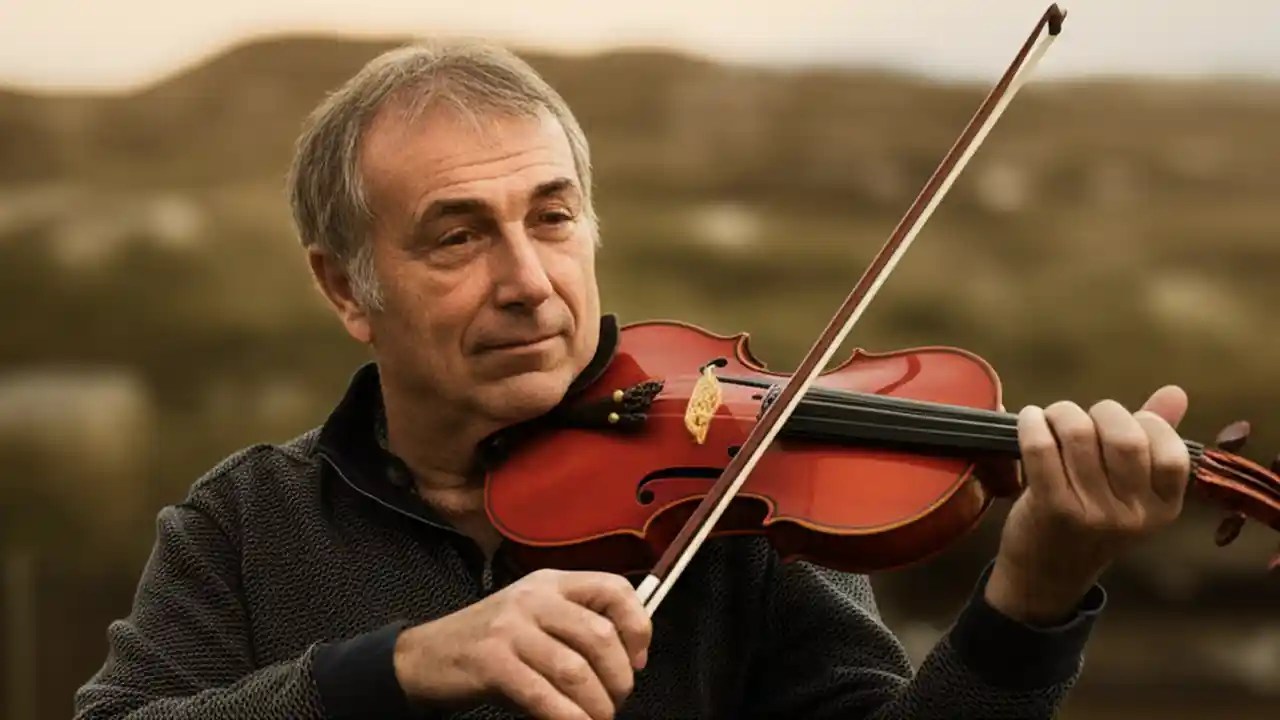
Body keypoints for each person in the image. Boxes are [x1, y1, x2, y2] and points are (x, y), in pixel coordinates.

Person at [74, 39, 1194, 720]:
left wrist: (1028, 603)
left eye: (552, 218)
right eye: (458, 237)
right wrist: (400, 669)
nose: (528, 282)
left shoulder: (738, 488)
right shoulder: (248, 522)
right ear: (345, 289)